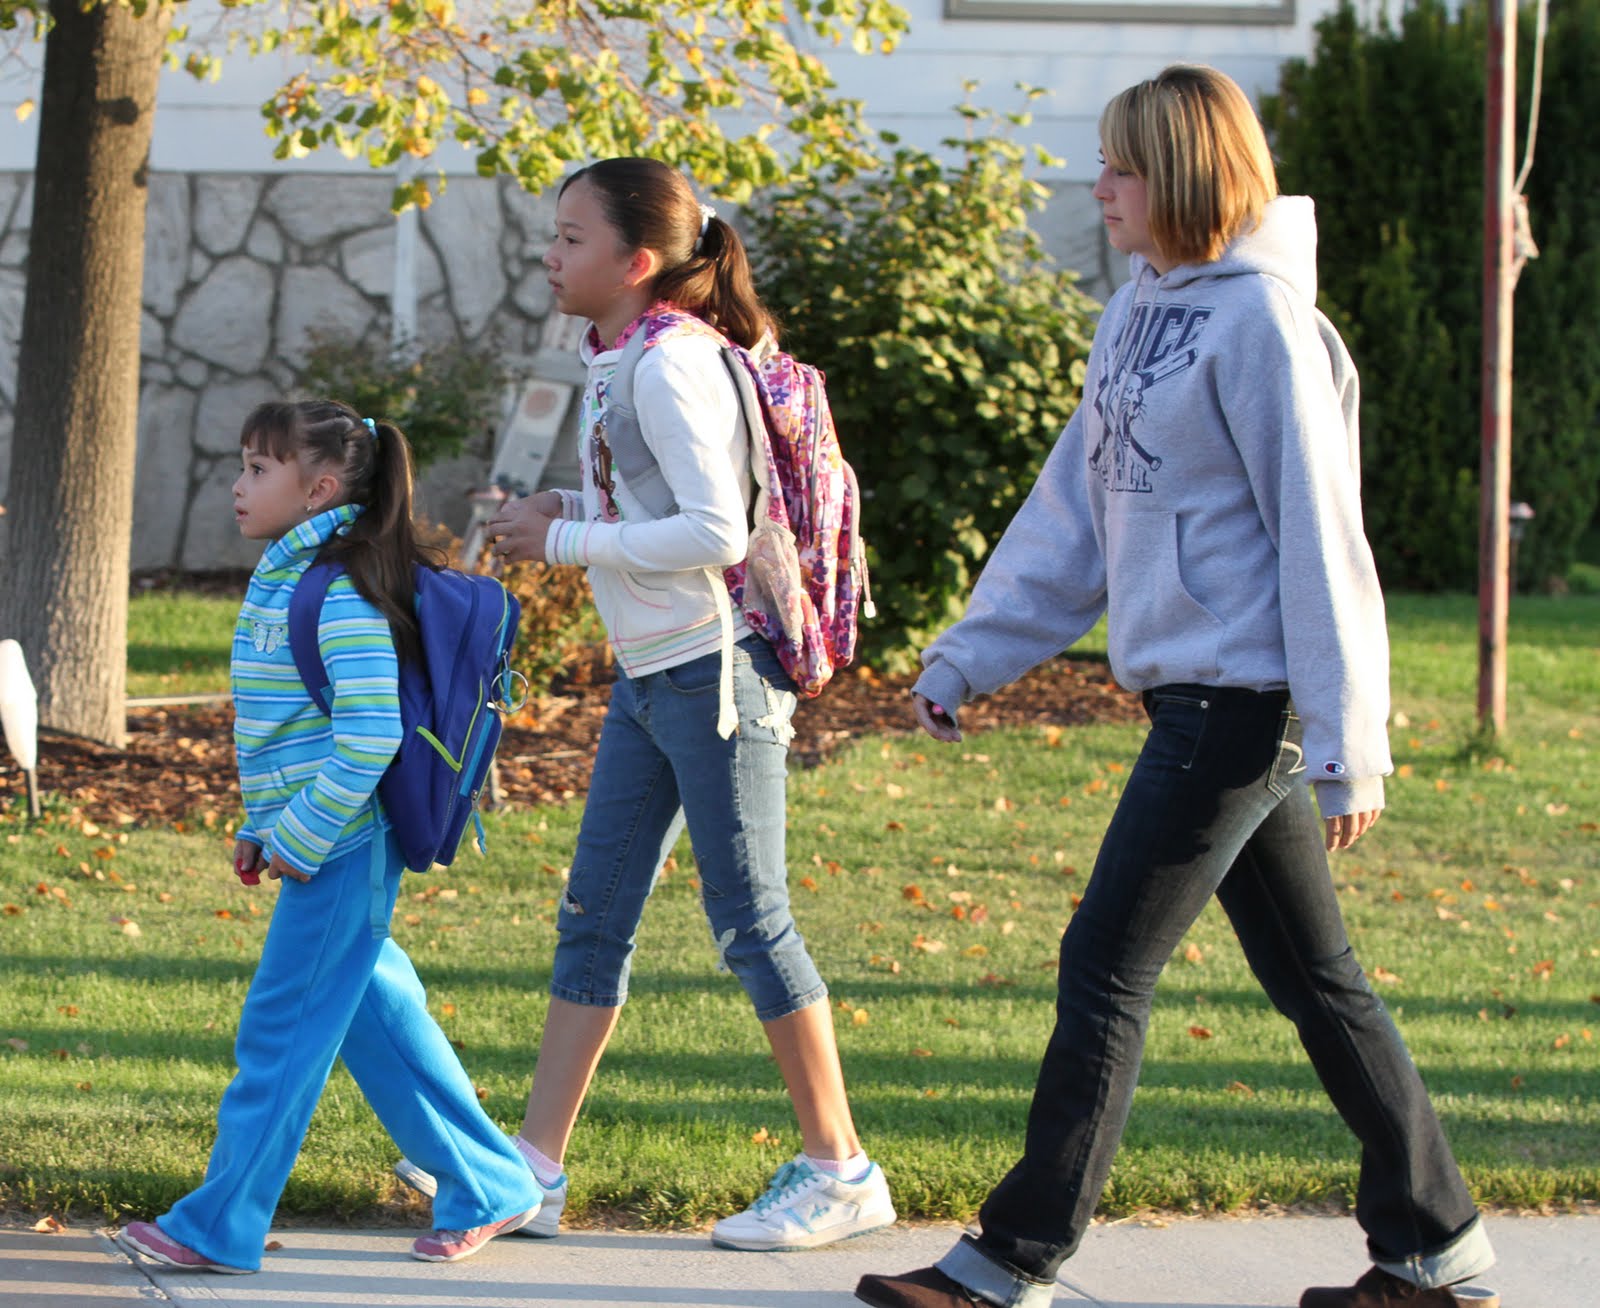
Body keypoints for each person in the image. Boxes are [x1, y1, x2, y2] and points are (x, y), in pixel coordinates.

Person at [854, 65, 1496, 1308]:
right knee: (1320, 982)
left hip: (1240, 704)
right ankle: (1437, 1249)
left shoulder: (1263, 326)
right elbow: (1074, 513)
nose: (1098, 187)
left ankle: (1010, 1261)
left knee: (1103, 965)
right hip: (1195, 697)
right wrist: (970, 655)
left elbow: (1319, 537)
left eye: (1124, 167)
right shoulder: (1137, 311)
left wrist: (1348, 740)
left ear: (1189, 174)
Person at [393, 157, 895, 1251]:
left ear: (637, 262)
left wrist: (566, 539)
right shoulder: (622, 354)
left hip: (717, 680)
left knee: (752, 922)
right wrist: (565, 506)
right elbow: (656, 502)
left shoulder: (671, 364)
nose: (549, 254)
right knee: (594, 918)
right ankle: (532, 1170)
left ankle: (840, 1169)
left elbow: (718, 532)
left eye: (570, 238)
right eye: (551, 234)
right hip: (655, 675)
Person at [115, 400, 542, 1275]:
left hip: (343, 845)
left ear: (318, 489)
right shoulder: (292, 575)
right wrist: (260, 825)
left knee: (281, 1034)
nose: (238, 485)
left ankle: (218, 1223)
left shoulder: (338, 587)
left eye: (259, 469)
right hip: (325, 837)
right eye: (241, 465)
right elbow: (294, 734)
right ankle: (492, 1181)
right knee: (376, 1022)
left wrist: (300, 837)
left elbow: (370, 732)